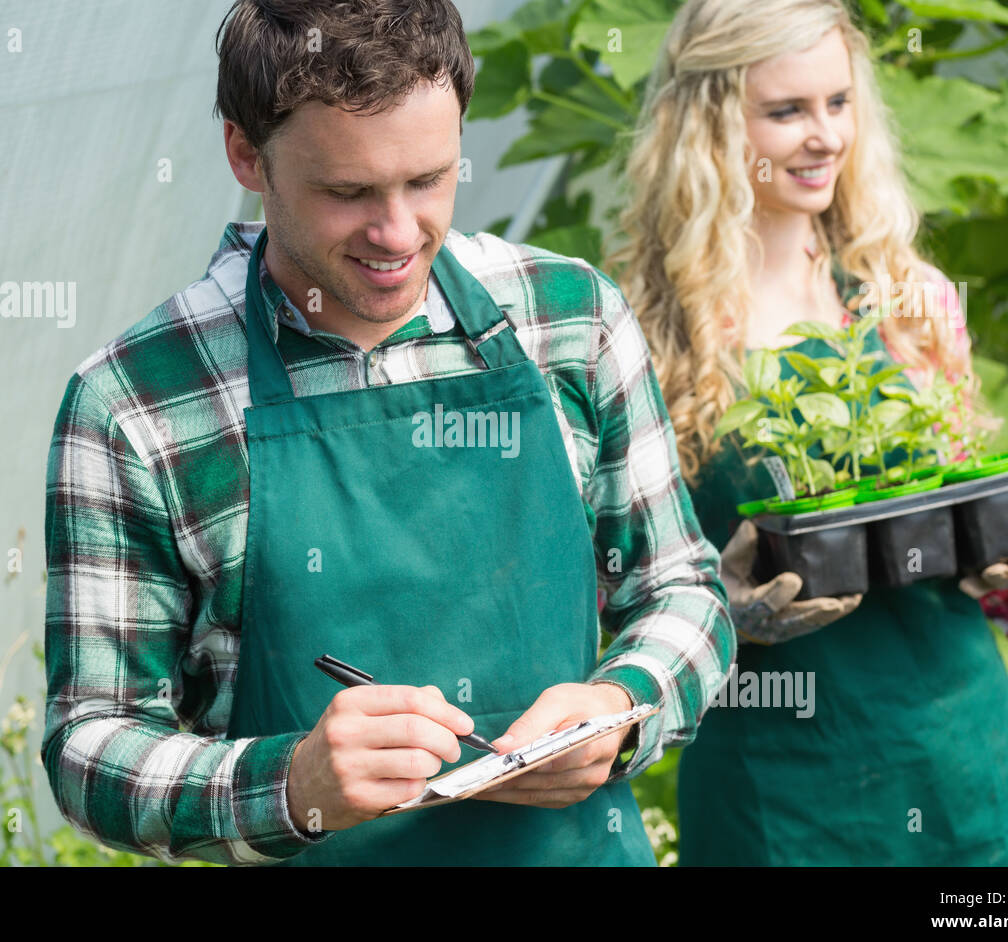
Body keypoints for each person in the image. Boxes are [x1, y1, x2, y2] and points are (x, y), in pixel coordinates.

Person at [39, 0, 735, 867]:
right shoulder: (136, 402)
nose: (399, 234)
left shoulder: (570, 320)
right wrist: (292, 784)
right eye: (349, 192)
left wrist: (625, 707)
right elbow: (90, 744)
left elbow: (682, 589)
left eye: (430, 181)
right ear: (246, 154)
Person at [608, 0, 1008, 865]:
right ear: (708, 125)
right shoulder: (645, 337)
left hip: (965, 760)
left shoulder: (909, 298)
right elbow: (614, 584)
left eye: (839, 102)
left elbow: (966, 510)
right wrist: (727, 613)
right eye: (787, 111)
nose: (825, 136)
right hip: (778, 787)